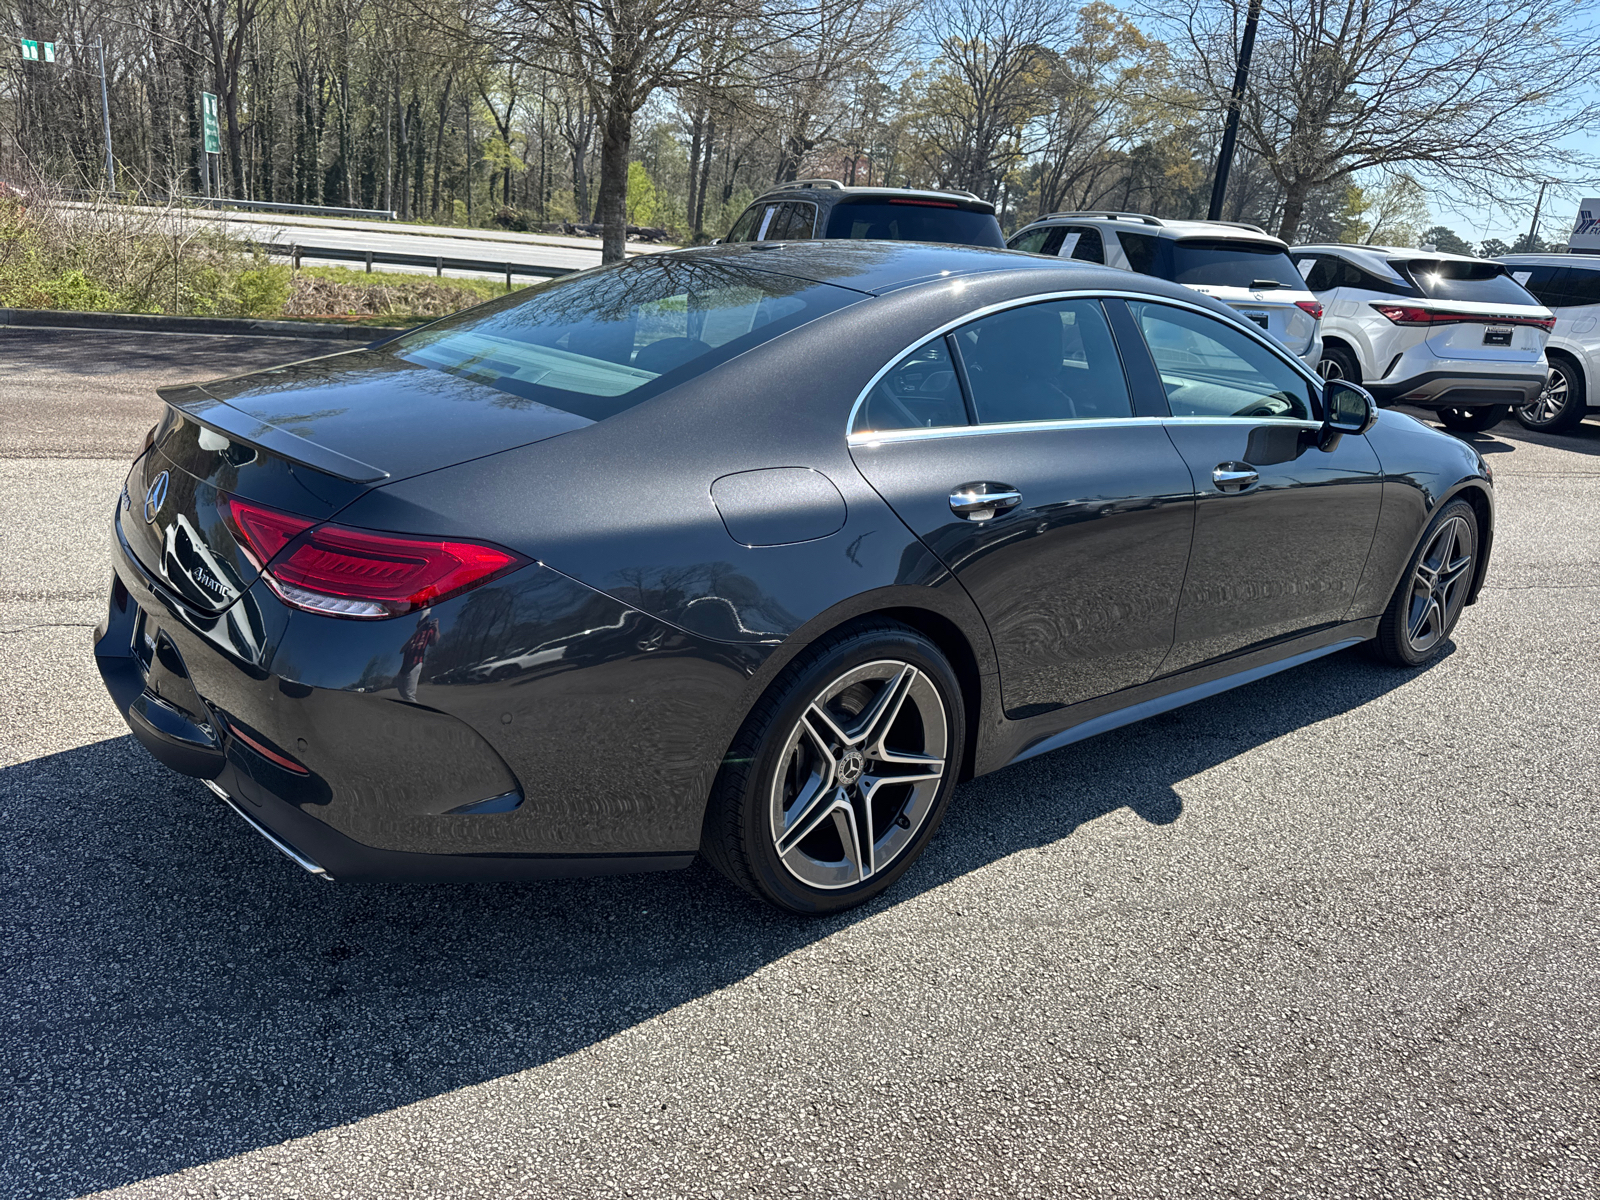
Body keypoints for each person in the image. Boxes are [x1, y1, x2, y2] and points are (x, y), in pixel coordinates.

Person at [396, 611, 440, 702]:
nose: (424, 624)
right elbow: (402, 650)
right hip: (405, 664)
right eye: (422, 621)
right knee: (401, 689)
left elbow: (433, 643)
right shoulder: (415, 634)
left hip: (416, 662)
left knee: (409, 694)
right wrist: (416, 633)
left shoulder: (429, 631)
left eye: (426, 620)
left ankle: (413, 711)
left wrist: (436, 628)